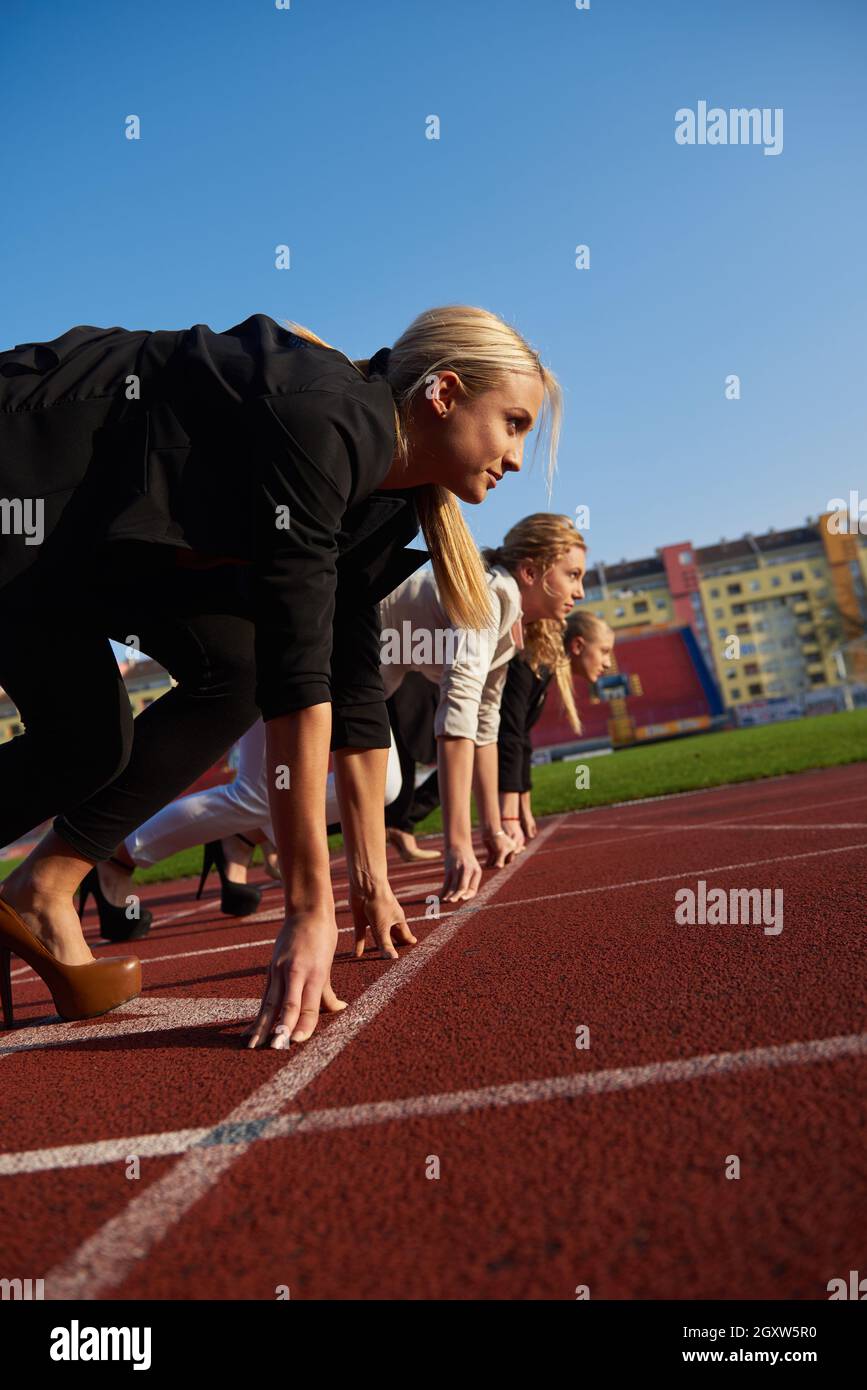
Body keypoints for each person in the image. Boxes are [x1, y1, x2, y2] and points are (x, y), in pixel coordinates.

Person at [0, 306, 560, 1047]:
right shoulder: (326, 421)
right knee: (88, 740)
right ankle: (47, 888)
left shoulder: (385, 499)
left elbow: (350, 678)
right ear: (444, 393)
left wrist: (368, 877)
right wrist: (307, 910)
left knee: (226, 673)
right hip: (25, 469)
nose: (517, 458)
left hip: (100, 527)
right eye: (513, 423)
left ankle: (45, 888)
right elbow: (298, 682)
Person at [378, 513, 586, 903]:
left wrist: (493, 829)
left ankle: (262, 822)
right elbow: (456, 714)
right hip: (336, 653)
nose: (581, 591)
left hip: (373, 675)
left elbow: (485, 725)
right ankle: (259, 826)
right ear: (530, 572)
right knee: (379, 786)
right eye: (573, 575)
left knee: (382, 787)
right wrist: (458, 845)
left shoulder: (510, 623)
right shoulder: (488, 599)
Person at [499, 609, 615, 848]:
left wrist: (524, 808)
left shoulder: (545, 668)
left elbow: (522, 738)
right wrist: (508, 818)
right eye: (604, 652)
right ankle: (403, 824)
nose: (608, 663)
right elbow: (510, 737)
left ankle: (404, 824)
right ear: (578, 645)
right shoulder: (531, 663)